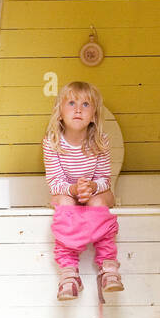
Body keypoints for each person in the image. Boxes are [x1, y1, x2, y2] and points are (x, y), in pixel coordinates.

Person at [42, 80, 123, 300]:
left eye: (86, 105)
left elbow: (105, 178)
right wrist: (75, 189)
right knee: (64, 203)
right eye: (71, 103)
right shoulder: (52, 143)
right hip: (69, 191)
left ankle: (108, 267)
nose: (78, 109)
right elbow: (55, 182)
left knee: (98, 203)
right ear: (59, 113)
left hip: (95, 191)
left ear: (94, 115)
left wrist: (93, 187)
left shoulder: (100, 141)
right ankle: (69, 272)